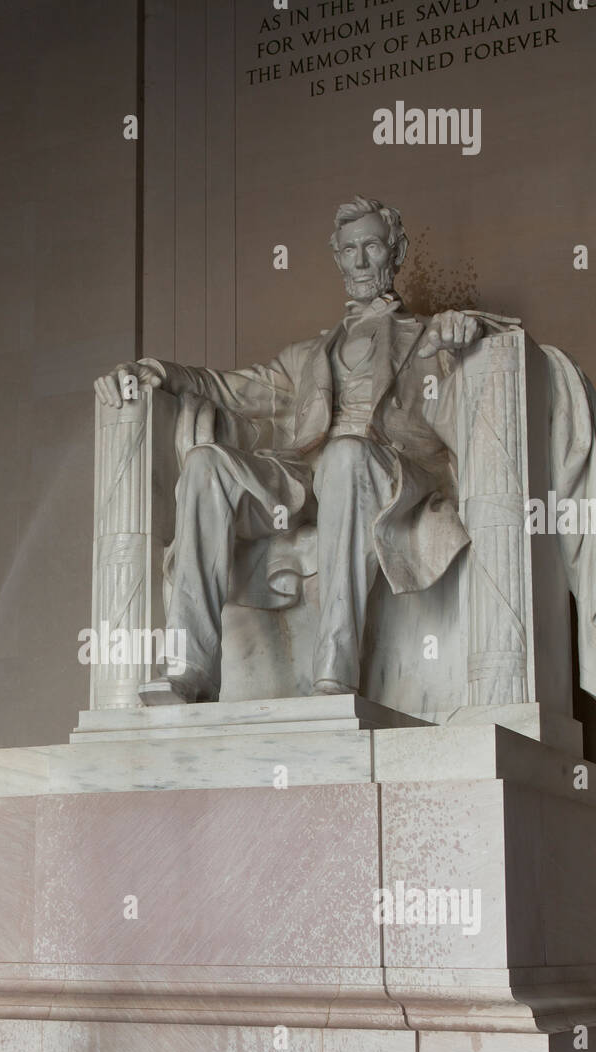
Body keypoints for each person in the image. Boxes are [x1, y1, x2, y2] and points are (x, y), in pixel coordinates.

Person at [94, 195, 488, 700]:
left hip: (387, 474)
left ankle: (335, 673)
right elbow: (229, 386)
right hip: (308, 479)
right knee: (205, 464)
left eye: (372, 245)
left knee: (347, 455)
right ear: (337, 258)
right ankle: (190, 670)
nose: (361, 260)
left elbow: (481, 355)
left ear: (397, 250)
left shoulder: (431, 335)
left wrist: (462, 335)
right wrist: (159, 372)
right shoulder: (308, 356)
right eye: (350, 249)